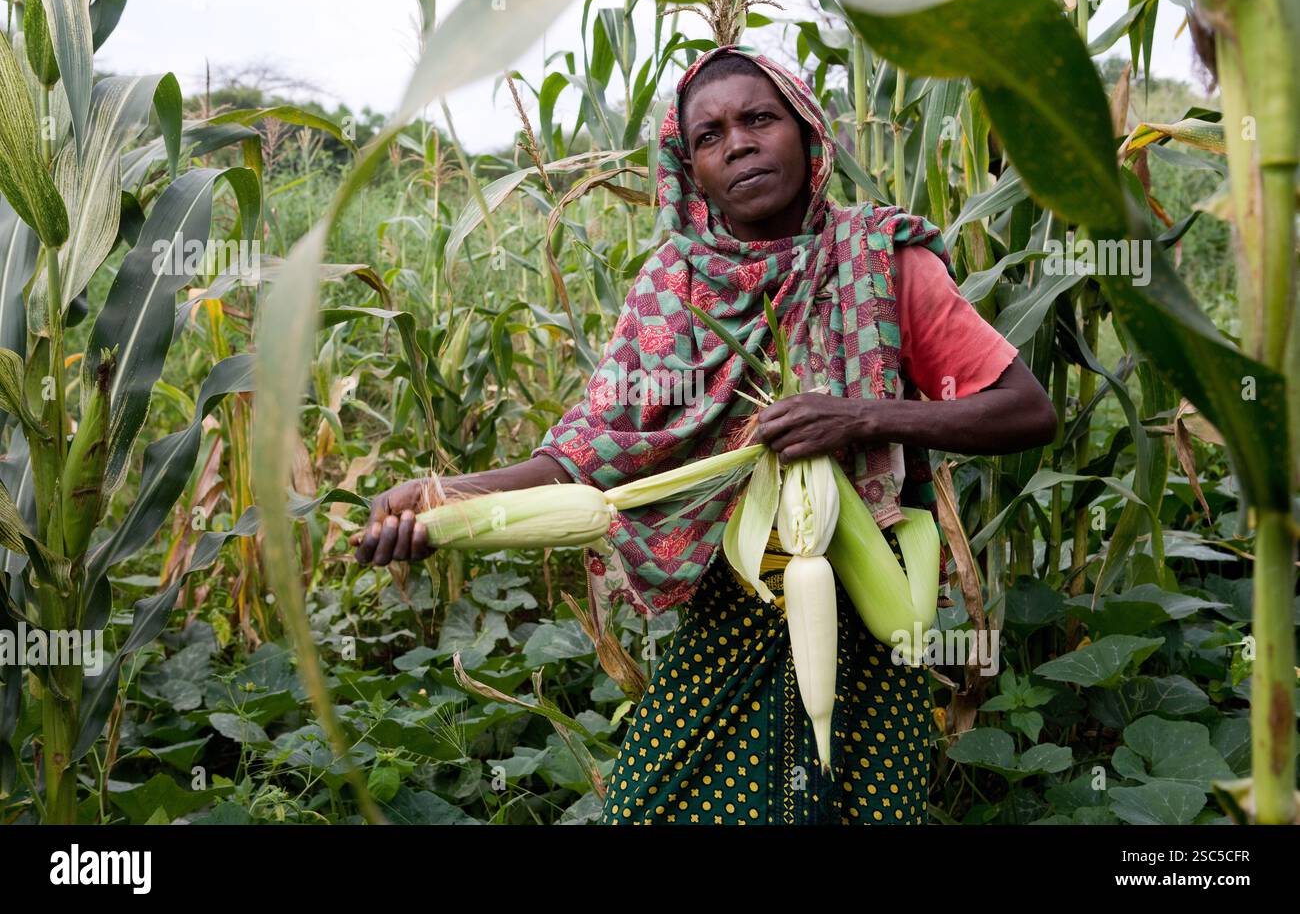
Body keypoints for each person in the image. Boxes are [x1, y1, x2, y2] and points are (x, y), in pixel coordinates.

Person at [352, 47, 1057, 824]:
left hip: (865, 603)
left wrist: (858, 415)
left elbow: (1025, 410)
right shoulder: (672, 289)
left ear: (807, 130)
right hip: (730, 611)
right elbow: (587, 451)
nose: (739, 145)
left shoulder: (881, 261)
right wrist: (446, 500)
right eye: (710, 136)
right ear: (688, 167)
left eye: (760, 119)